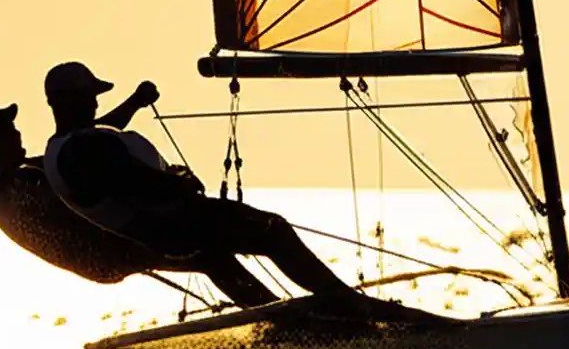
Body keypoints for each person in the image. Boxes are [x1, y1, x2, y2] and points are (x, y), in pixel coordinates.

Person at [39, 61, 355, 299]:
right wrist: (181, 182)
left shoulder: (64, 146)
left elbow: (108, 128)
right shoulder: (83, 150)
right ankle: (343, 301)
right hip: (177, 225)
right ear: (70, 101)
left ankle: (276, 317)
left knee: (217, 260)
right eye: (90, 96)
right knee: (274, 231)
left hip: (160, 234)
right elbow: (137, 183)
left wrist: (135, 101)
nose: (96, 102)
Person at [0, 103, 278, 306]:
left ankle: (269, 309)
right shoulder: (20, 183)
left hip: (97, 257)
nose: (17, 132)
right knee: (210, 255)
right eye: (9, 129)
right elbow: (80, 174)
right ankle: (272, 313)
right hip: (106, 252)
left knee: (207, 252)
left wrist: (133, 104)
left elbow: (86, 141)